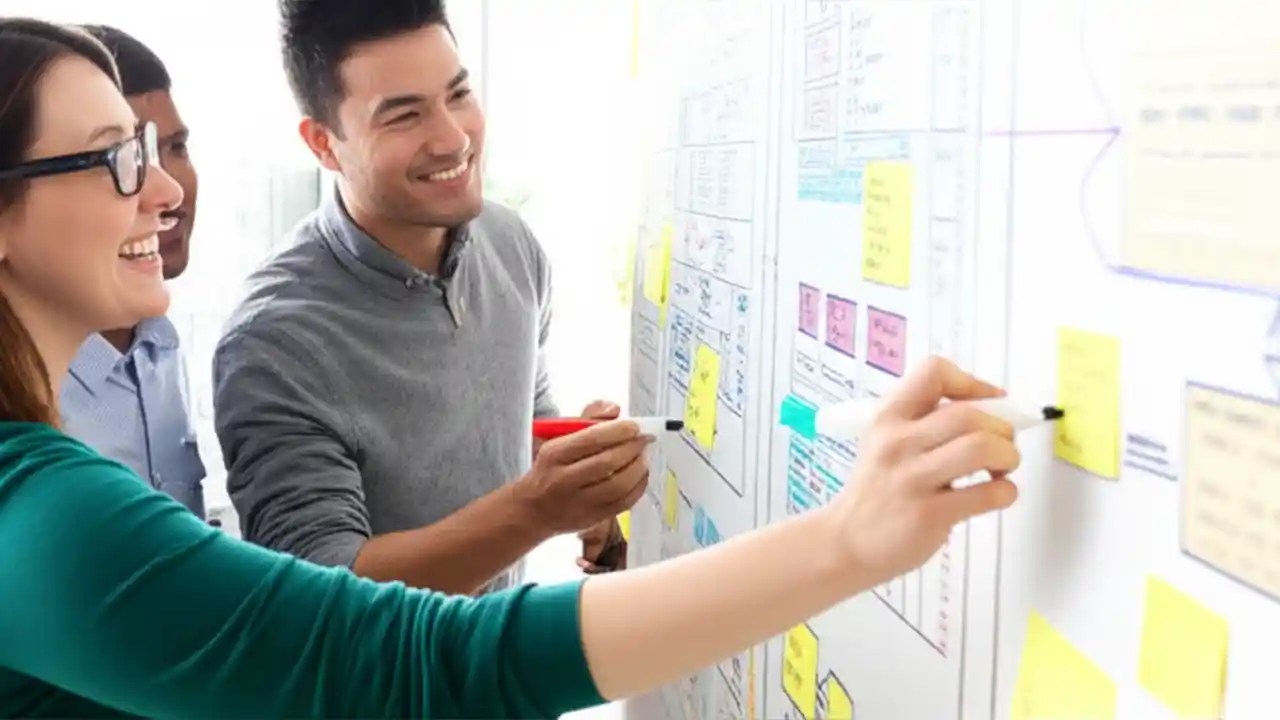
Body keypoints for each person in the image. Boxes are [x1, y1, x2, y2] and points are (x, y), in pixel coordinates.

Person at [0, 18, 1021, 718]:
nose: (166, 192)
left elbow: (519, 439)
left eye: (158, 151)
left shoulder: (512, 248)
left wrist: (573, 491)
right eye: (117, 158)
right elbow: (392, 653)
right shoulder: (52, 517)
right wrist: (847, 537)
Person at [212, 0, 629, 594]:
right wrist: (536, 511)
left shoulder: (511, 245)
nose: (454, 139)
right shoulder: (272, 341)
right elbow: (324, 596)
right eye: (405, 116)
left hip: (502, 648)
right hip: (381, 662)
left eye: (458, 94)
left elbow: (525, 424)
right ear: (324, 144)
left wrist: (580, 474)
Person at [57, 24, 206, 518]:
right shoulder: (31, 395)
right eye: (125, 159)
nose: (171, 190)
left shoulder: (161, 346)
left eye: (176, 148)